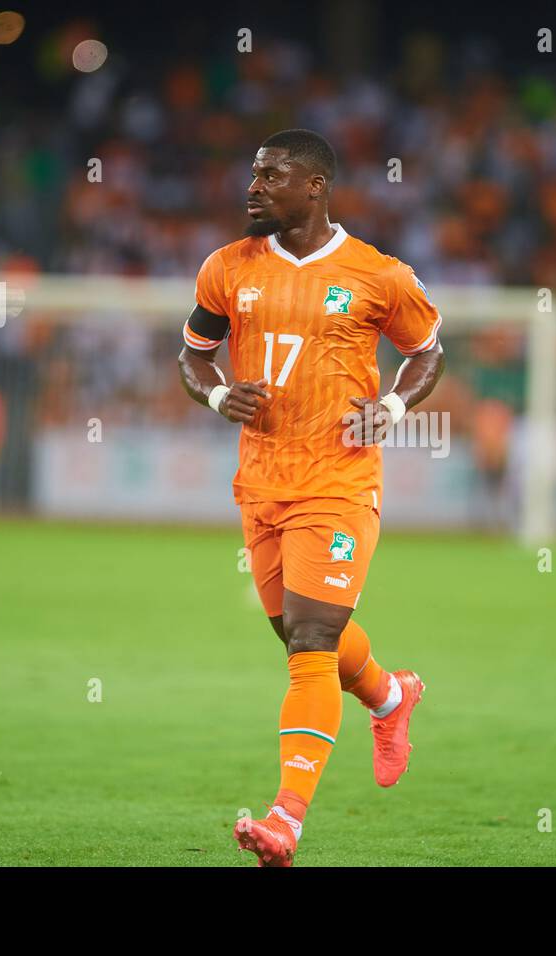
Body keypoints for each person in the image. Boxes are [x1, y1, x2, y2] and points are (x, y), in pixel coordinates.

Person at [177, 129, 445, 866]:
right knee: (298, 634)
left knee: (309, 643)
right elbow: (193, 357)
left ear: (314, 187)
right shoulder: (226, 268)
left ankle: (285, 820)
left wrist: (390, 409)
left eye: (271, 175)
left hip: (339, 479)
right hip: (260, 482)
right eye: (252, 173)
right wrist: (219, 395)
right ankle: (391, 696)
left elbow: (427, 352)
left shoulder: (376, 274)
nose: (254, 187)